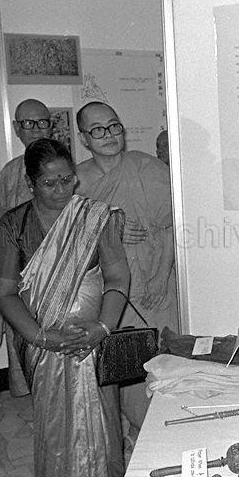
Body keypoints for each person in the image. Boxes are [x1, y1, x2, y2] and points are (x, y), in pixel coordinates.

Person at [0, 138, 129, 477]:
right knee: (55, 427)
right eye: (50, 183)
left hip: (93, 342)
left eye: (68, 180)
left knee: (103, 424)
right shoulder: (14, 224)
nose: (61, 190)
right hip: (42, 345)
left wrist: (103, 326)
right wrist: (41, 337)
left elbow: (117, 276)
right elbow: (3, 291)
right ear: (30, 182)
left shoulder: (96, 216)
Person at [74, 101, 178, 448]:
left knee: (163, 356)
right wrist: (108, 231)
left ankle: (163, 431)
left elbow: (171, 227)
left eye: (114, 126)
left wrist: (162, 277)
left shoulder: (147, 168)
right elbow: (71, 242)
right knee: (126, 364)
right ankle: (139, 430)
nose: (109, 135)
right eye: (98, 130)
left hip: (154, 278)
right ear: (84, 137)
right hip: (109, 289)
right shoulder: (77, 180)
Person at [0, 98, 53, 395]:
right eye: (27, 123)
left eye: (42, 122)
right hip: (21, 275)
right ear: (16, 128)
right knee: (26, 344)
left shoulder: (62, 165)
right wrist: (20, 212)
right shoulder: (12, 171)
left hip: (57, 274)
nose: (35, 129)